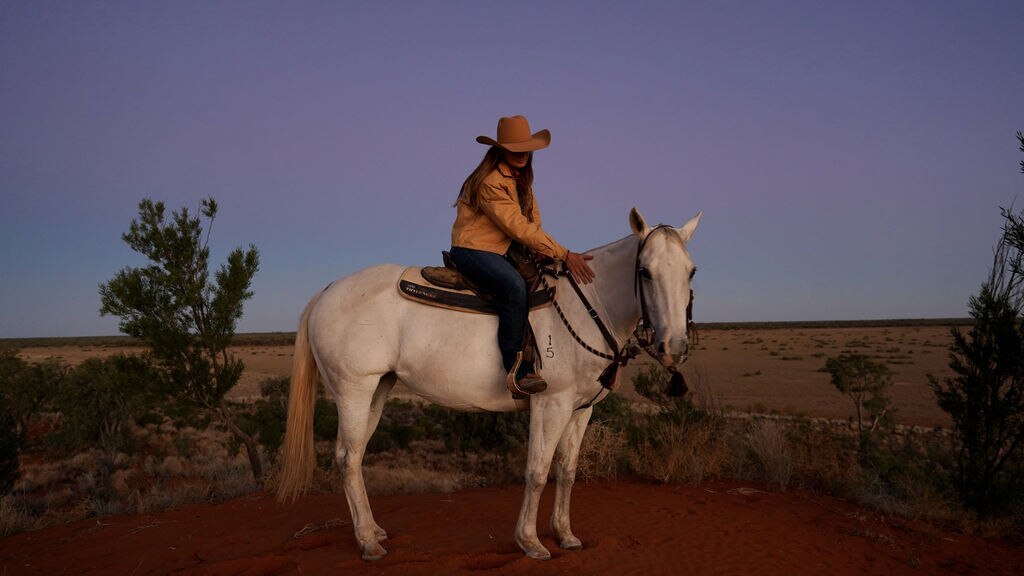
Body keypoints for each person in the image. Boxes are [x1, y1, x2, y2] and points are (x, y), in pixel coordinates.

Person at [450, 115, 595, 397]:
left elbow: (532, 224)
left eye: (526, 149)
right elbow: (516, 226)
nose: (522, 155)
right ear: (502, 150)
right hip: (473, 249)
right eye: (516, 149)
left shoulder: (522, 181)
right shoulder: (491, 182)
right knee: (515, 287)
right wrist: (563, 253)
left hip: (504, 249)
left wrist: (543, 253)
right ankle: (517, 368)